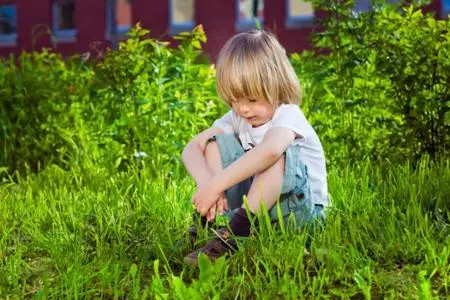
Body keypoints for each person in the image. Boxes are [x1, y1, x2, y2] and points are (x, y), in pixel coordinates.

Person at [181, 30, 329, 265]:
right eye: (234, 100)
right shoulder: (238, 118)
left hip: (301, 214)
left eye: (251, 99)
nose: (243, 109)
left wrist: (218, 184)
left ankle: (237, 231)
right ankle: (223, 224)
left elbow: (270, 151)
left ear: (276, 84)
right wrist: (208, 186)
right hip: (261, 212)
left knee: (276, 155)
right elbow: (191, 148)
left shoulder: (288, 115)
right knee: (213, 144)